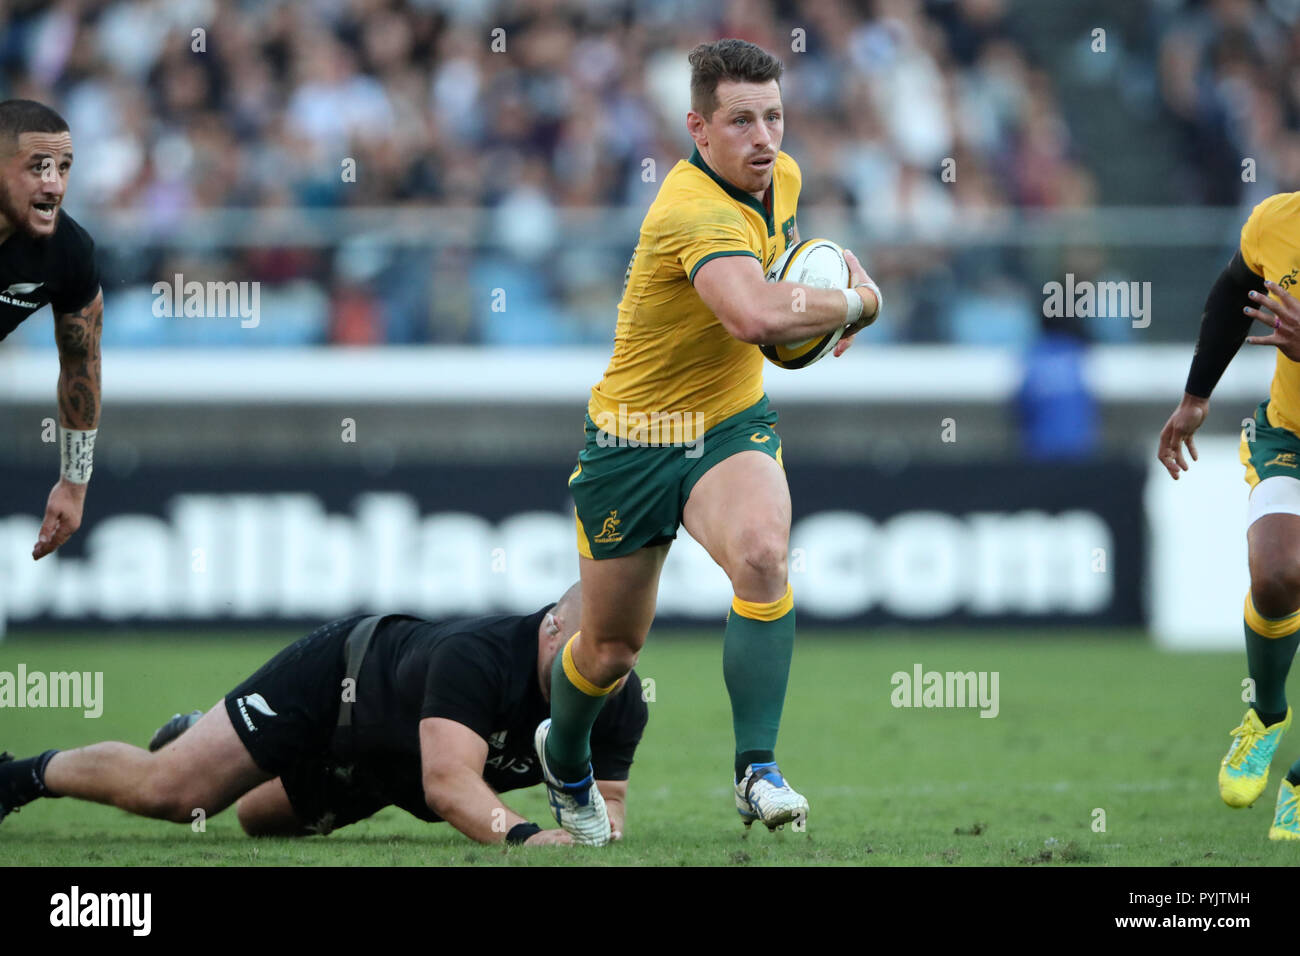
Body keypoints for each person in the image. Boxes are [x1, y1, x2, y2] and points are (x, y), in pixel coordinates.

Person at [539, 38, 882, 845]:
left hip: (729, 421)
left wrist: (826, 292)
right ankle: (566, 754)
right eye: (740, 121)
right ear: (699, 129)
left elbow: (792, 282)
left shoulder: (784, 178)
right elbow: (755, 315)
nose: (763, 137)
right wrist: (858, 304)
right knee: (611, 649)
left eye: (773, 116)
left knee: (764, 553)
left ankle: (756, 769)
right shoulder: (690, 208)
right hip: (634, 438)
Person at [0, 583, 646, 847]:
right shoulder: (476, 658)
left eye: (614, 657)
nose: (598, 668)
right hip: (343, 685)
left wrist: (598, 830)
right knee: (175, 792)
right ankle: (20, 775)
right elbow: (449, 783)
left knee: (258, 823)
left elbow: (610, 803)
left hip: (384, 769)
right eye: (587, 648)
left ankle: (211, 738)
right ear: (551, 625)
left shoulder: (619, 695)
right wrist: (527, 838)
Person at [1157, 190, 1300, 840]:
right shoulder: (1277, 220)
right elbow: (1231, 295)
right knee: (1274, 573)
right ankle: (1265, 716)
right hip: (1291, 438)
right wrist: (1195, 398)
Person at [0, 100, 104, 562]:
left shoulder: (69, 252)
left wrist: (74, 483)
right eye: (37, 167)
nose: (54, 184)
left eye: (63, 167)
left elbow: (81, 360)